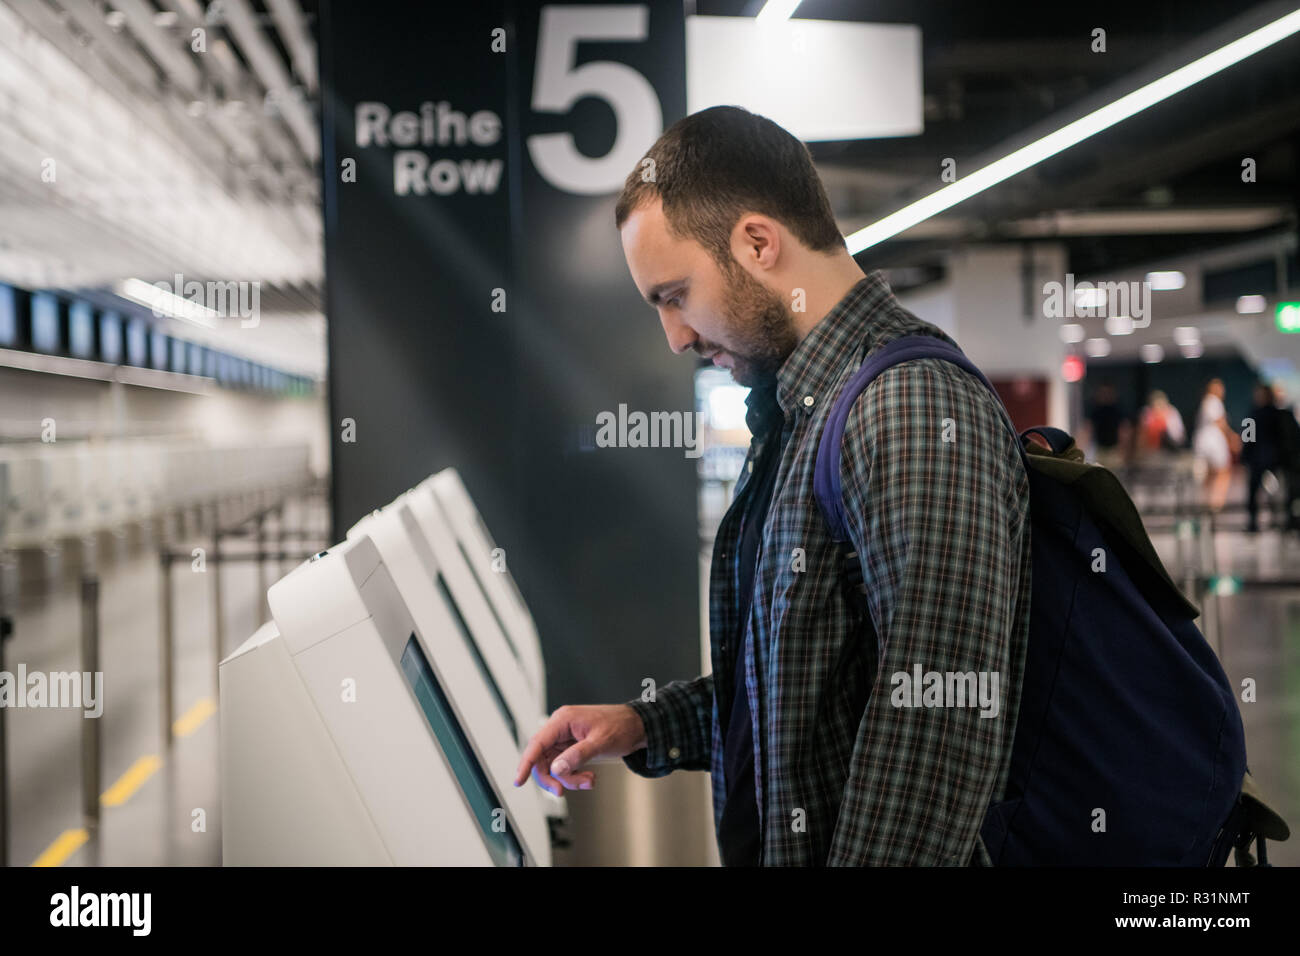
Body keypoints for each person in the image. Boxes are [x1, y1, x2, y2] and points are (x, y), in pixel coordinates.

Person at [513, 106, 1032, 866]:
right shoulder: (801, 415)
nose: (677, 337)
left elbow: (933, 753)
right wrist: (646, 724)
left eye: (675, 294)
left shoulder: (909, 409)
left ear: (758, 243)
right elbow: (799, 689)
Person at [1242, 383, 1281, 532]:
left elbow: (1248, 439)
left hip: (1258, 459)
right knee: (1272, 492)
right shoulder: (1276, 414)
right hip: (1270, 458)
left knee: (1254, 492)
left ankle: (1254, 522)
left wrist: (1245, 456)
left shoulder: (1254, 414)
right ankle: (1276, 520)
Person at [1193, 379, 1237, 512]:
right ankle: (1216, 503)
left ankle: (1207, 502)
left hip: (1203, 442)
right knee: (1223, 472)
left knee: (1210, 474)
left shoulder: (1206, 402)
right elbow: (1220, 422)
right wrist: (1232, 438)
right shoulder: (1214, 401)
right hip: (1213, 442)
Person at [1138, 390, 1185, 455]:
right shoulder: (1146, 413)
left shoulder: (1172, 412)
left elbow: (1179, 435)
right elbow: (1141, 433)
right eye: (1156, 405)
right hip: (1148, 450)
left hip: (1168, 451)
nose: (1158, 407)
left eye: (1160, 404)